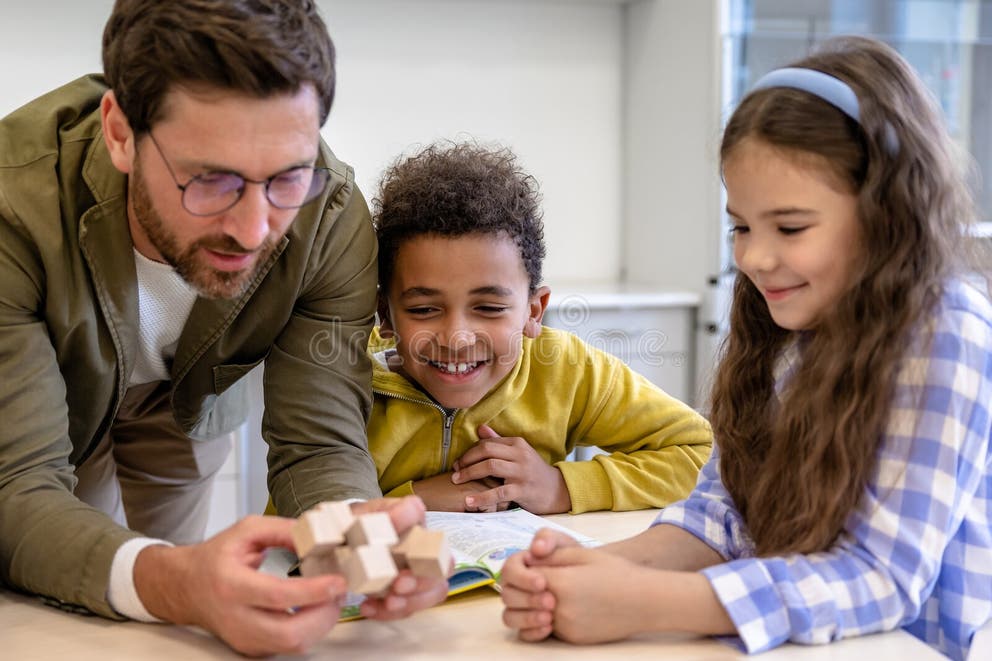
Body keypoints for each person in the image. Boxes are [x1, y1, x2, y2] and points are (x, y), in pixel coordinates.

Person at [498, 35, 992, 661]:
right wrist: (589, 570)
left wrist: (643, 603)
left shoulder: (947, 331)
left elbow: (881, 578)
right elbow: (724, 514)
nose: (755, 258)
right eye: (741, 226)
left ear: (885, 211)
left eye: (790, 227)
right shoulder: (787, 324)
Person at [0, 0, 447, 655]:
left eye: (287, 177)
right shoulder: (13, 208)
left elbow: (319, 445)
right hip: (50, 395)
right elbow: (18, 488)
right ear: (120, 133)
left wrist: (357, 539)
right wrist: (172, 581)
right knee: (72, 588)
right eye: (211, 180)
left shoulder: (330, 216)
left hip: (192, 391)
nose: (253, 229)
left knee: (172, 610)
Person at [366, 141, 712, 513]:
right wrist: (412, 500)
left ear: (534, 311)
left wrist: (561, 486)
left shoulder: (564, 369)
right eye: (424, 309)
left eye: (489, 307)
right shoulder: (345, 384)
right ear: (385, 315)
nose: (457, 338)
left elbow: (703, 455)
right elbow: (306, 505)